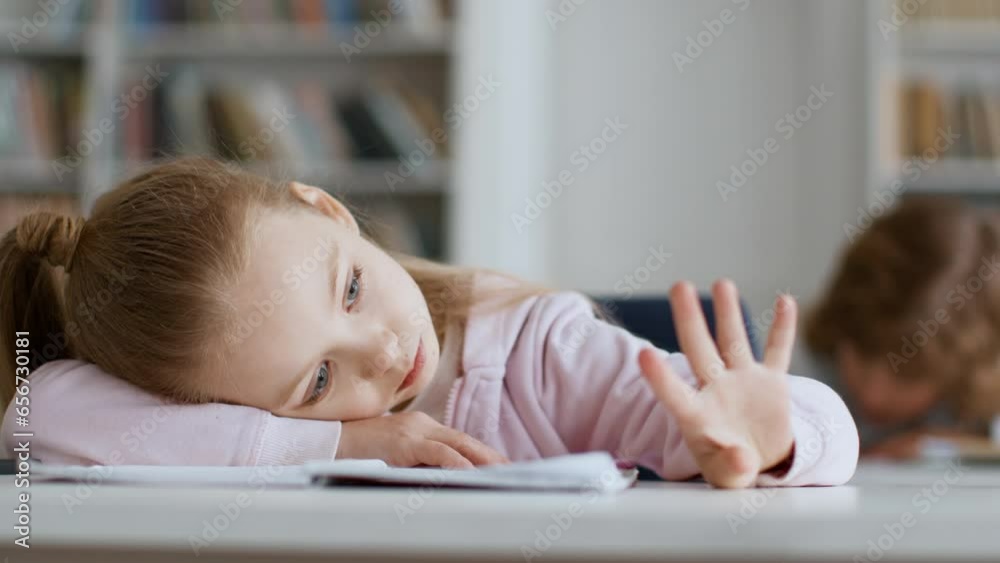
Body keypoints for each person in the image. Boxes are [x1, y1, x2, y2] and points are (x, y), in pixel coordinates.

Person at [0, 158, 858, 488]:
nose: (379, 350)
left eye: (347, 291)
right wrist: (345, 442)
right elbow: (47, 414)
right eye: (319, 381)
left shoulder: (536, 351)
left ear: (330, 209)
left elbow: (813, 432)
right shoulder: (264, 428)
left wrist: (781, 435)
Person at [805, 197, 1000, 459]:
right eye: (862, 357)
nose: (873, 395)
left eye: (908, 374)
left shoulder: (976, 403)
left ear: (963, 373)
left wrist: (948, 445)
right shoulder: (799, 371)